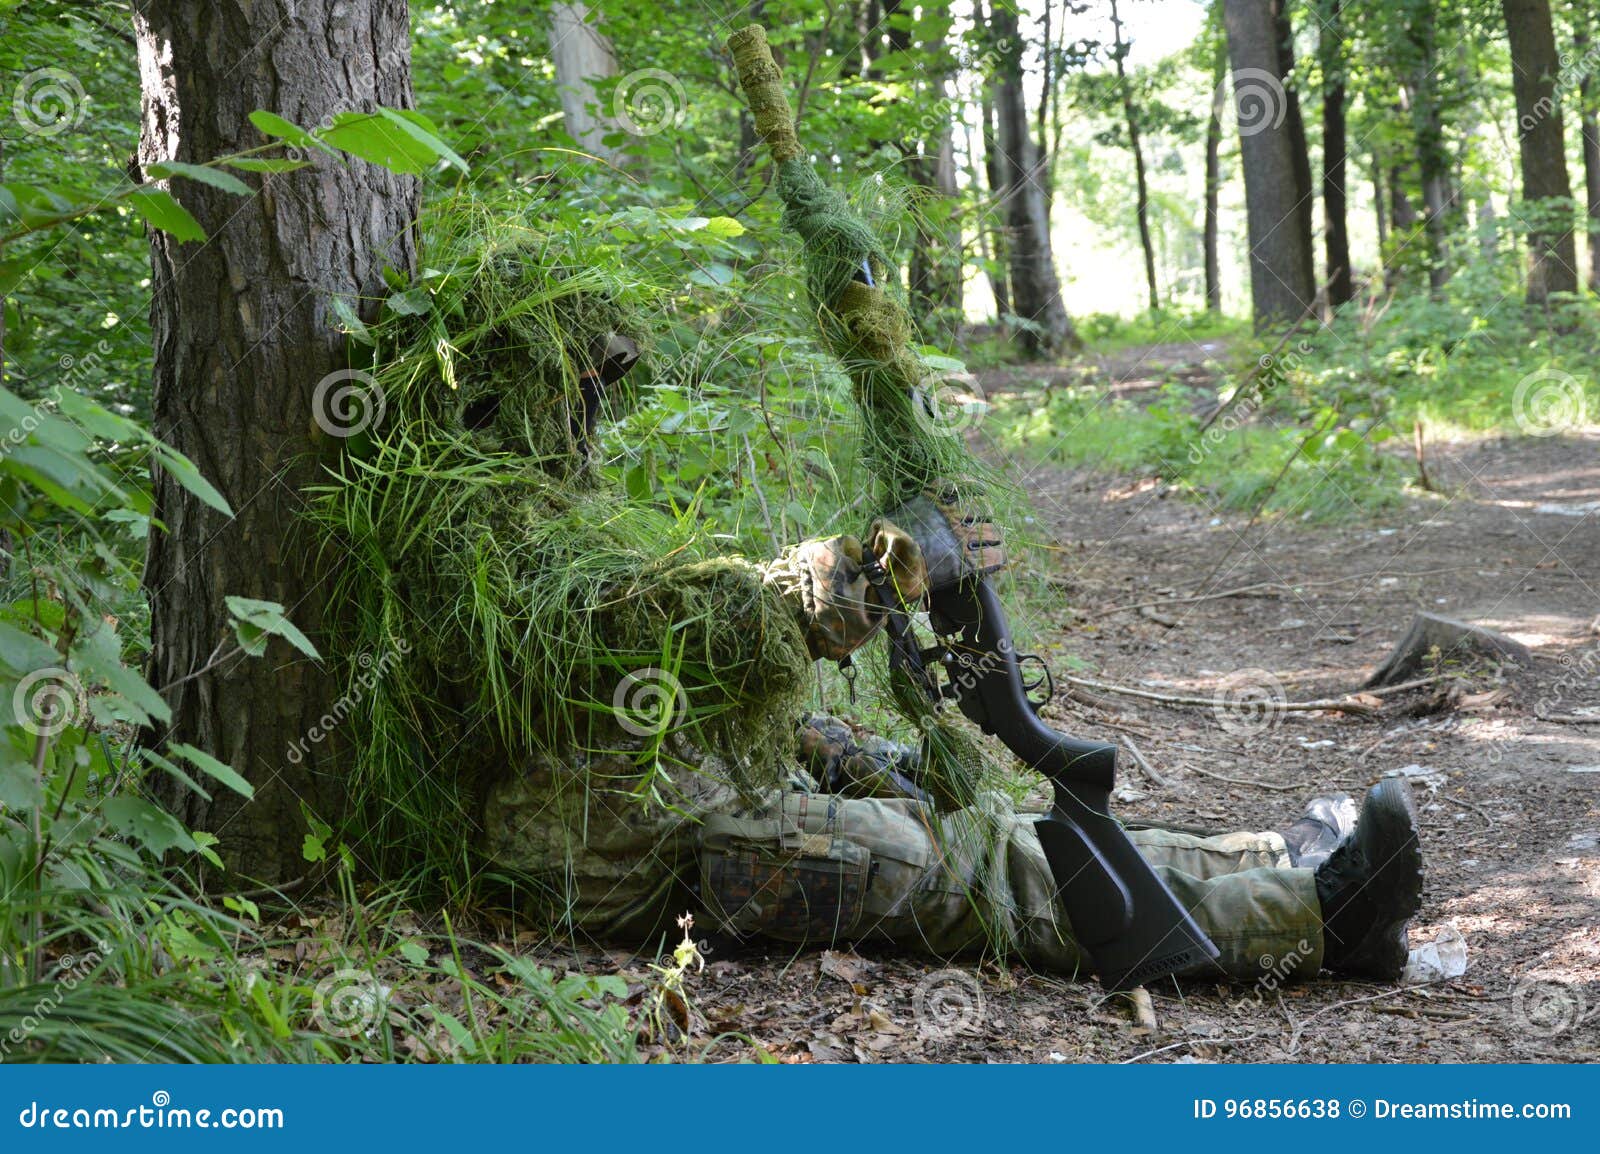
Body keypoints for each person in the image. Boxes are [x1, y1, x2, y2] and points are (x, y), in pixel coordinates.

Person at [328, 217, 1425, 989]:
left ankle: (1272, 861)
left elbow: (636, 683)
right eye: (574, 388)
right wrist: (846, 578)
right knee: (966, 869)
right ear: (504, 392)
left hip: (672, 799)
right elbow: (642, 634)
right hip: (636, 851)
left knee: (994, 824)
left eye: (596, 389)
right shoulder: (477, 538)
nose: (589, 412)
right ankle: (1322, 922)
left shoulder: (530, 509)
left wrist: (825, 740)